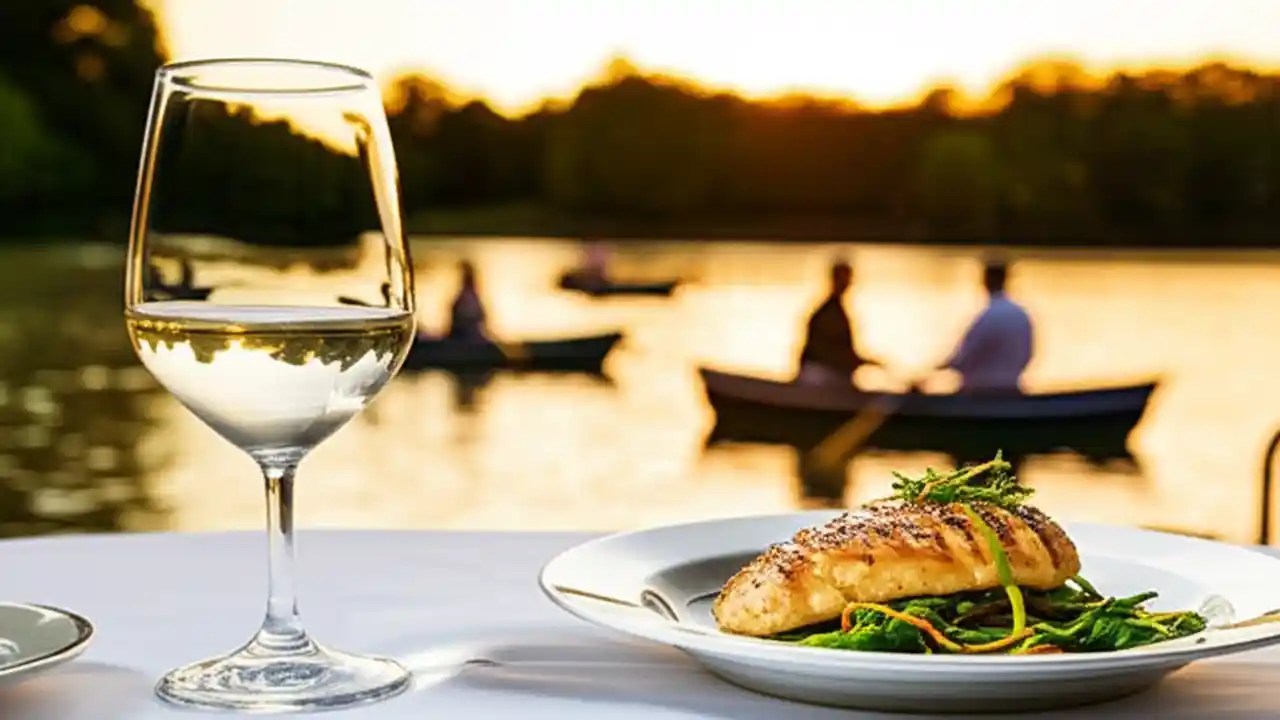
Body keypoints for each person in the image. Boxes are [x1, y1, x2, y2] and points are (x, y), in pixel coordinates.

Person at [934, 261, 1033, 393]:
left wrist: (941, 367)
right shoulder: (1021, 314)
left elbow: (967, 355)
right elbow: (1028, 354)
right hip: (1012, 388)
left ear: (986, 280)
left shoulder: (987, 316)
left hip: (980, 391)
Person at [796, 259, 875, 386]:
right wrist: (861, 362)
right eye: (843, 278)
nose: (847, 283)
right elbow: (828, 353)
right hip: (820, 375)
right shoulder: (828, 314)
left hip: (825, 373)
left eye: (848, 278)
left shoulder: (835, 310)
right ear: (834, 279)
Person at [447, 262, 489, 342]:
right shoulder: (467, 297)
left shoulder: (468, 297)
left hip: (467, 334)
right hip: (464, 334)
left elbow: (480, 316)